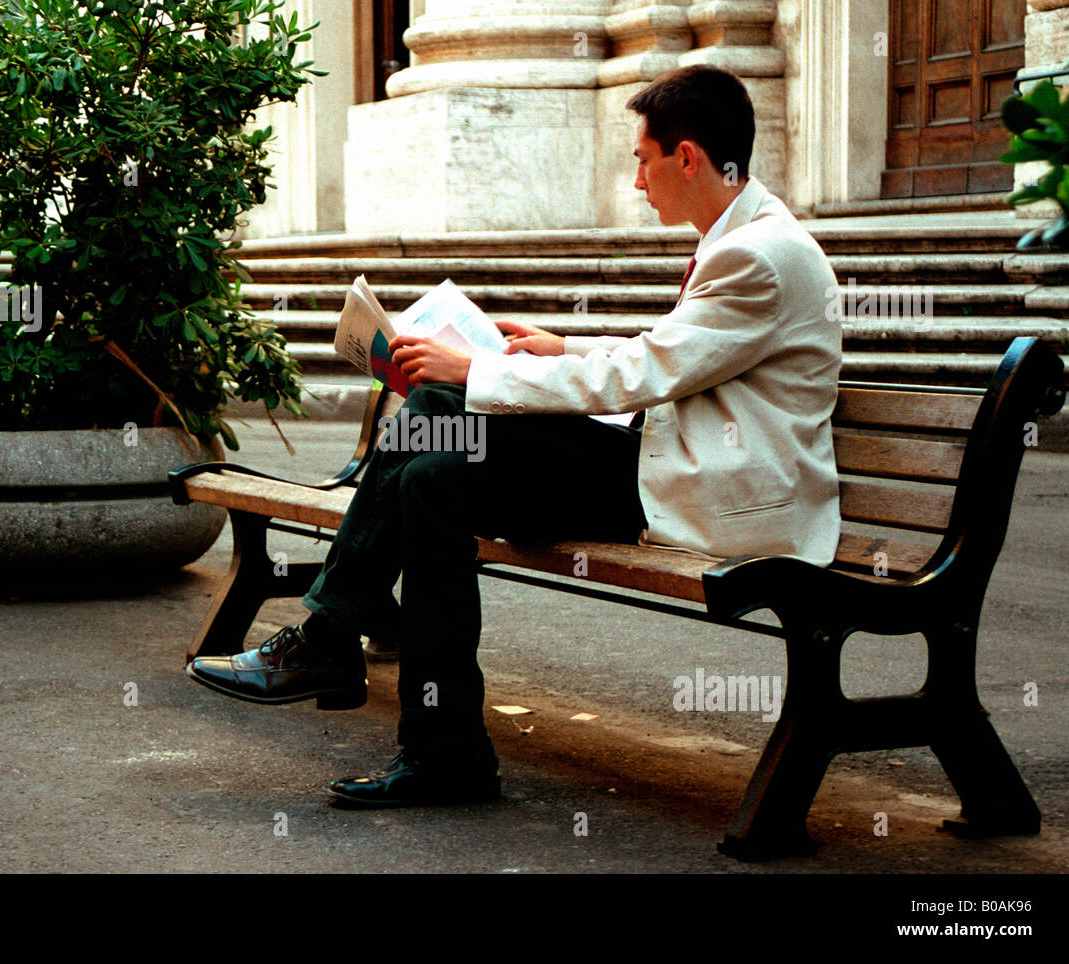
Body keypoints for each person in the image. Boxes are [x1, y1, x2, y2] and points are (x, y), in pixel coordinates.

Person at [186, 64, 841, 807]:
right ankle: (423, 732)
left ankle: (352, 659)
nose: (637, 180)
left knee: (440, 421)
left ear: (685, 157)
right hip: (669, 460)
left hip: (710, 493)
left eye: (641, 158)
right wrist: (561, 352)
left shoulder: (756, 253)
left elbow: (646, 373)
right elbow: (677, 358)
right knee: (433, 461)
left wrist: (475, 371)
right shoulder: (747, 236)